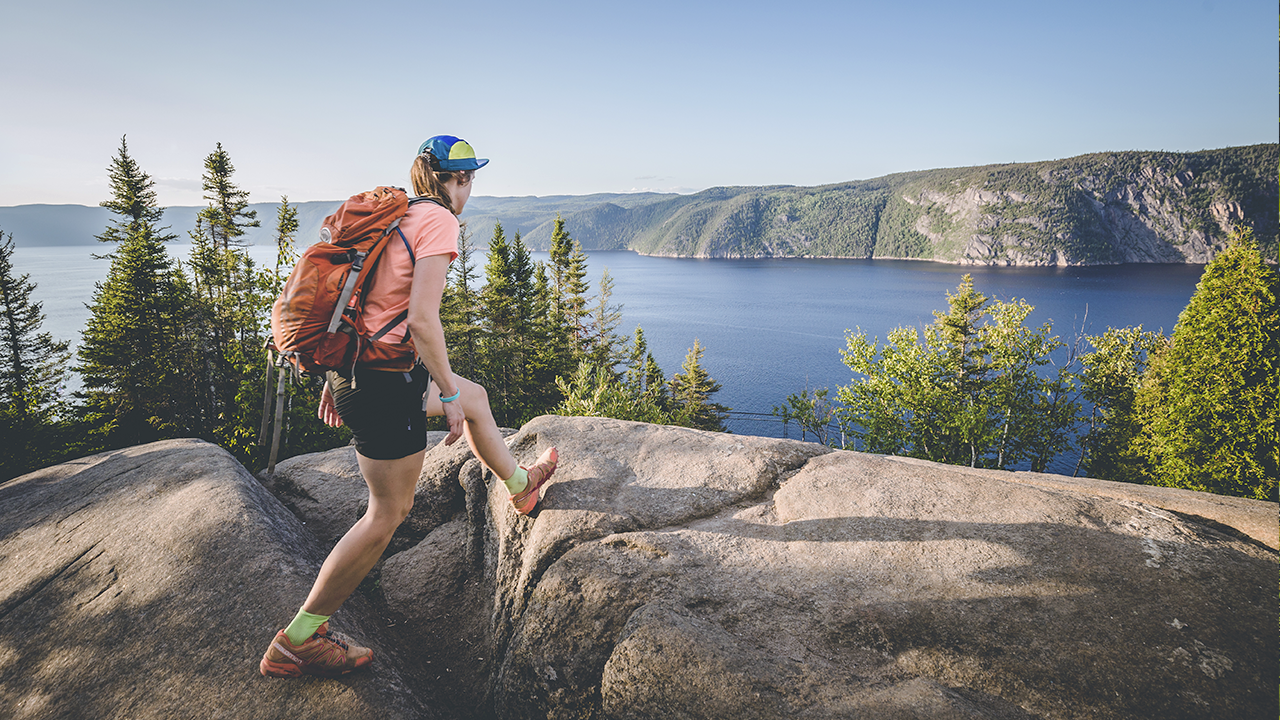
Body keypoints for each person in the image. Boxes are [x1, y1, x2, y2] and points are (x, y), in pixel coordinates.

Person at [260, 135, 558, 679]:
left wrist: (336, 377)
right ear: (459, 180)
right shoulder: (439, 220)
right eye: (468, 179)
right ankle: (300, 638)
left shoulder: (398, 214)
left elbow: (361, 301)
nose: (469, 189)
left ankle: (521, 486)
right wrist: (446, 393)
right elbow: (421, 319)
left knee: (476, 398)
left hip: (362, 373)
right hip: (384, 383)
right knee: (388, 513)